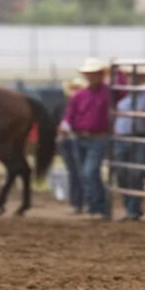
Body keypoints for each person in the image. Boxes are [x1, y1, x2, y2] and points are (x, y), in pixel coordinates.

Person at [60, 58, 111, 219]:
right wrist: (66, 125)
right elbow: (70, 114)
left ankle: (99, 206)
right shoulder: (79, 95)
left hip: (98, 137)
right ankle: (93, 206)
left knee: (90, 171)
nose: (91, 77)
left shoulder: (108, 93)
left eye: (95, 74)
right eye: (89, 74)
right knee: (85, 173)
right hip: (79, 137)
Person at [112, 66, 145, 221]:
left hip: (141, 137)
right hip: (122, 138)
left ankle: (133, 209)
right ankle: (129, 207)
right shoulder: (125, 96)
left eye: (137, 76)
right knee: (122, 174)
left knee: (135, 174)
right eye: (130, 76)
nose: (133, 78)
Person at [58, 77, 88, 214]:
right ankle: (76, 202)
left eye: (78, 88)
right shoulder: (64, 106)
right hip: (67, 141)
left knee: (83, 172)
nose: (75, 91)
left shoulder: (79, 105)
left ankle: (83, 201)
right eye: (73, 88)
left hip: (78, 139)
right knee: (74, 172)